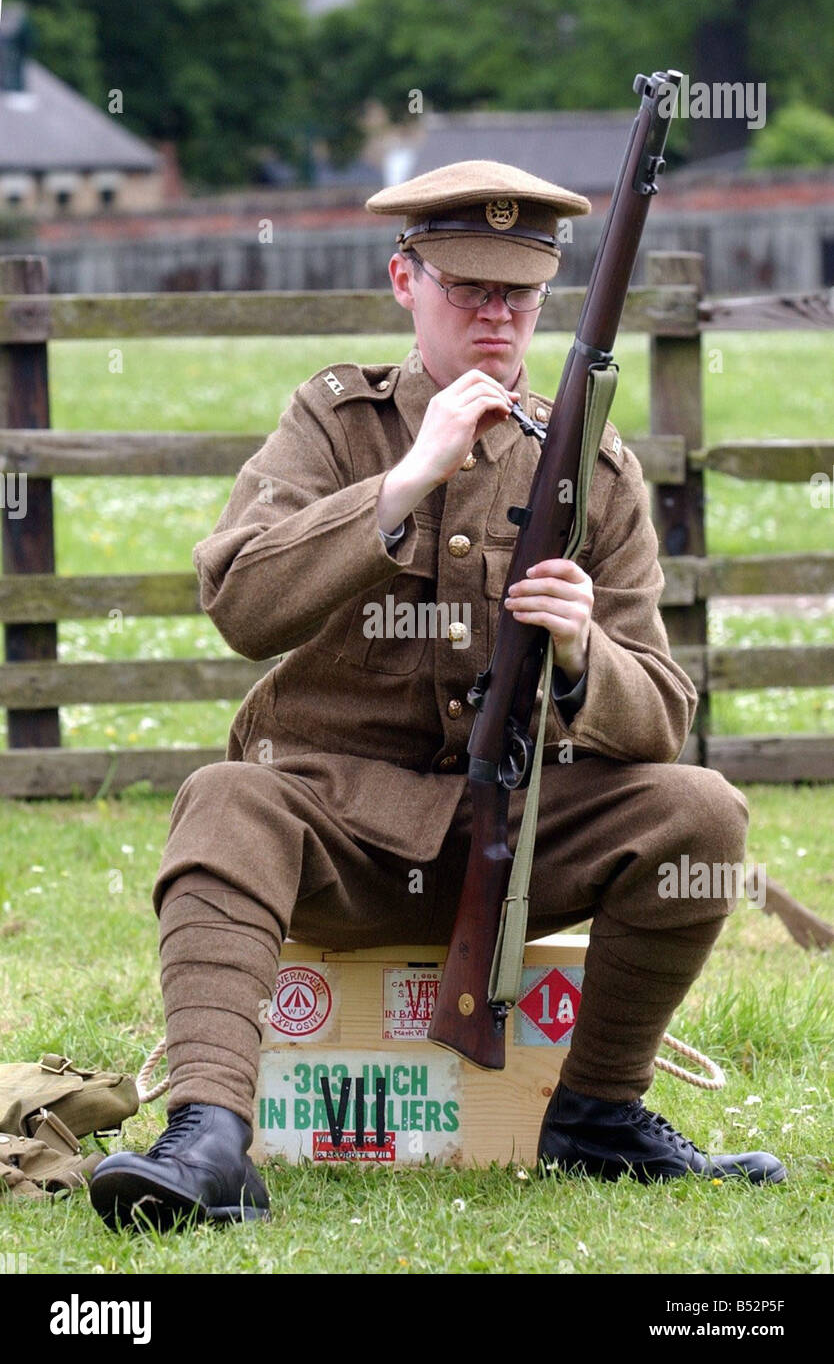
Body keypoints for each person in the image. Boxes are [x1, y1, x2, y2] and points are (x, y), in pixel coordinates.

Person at [89, 161, 786, 1232]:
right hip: (337, 832)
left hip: (525, 837)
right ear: (403, 281)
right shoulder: (334, 422)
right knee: (225, 796)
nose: (496, 315)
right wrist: (403, 483)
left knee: (704, 812)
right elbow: (237, 599)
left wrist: (582, 650)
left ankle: (597, 1113)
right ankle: (209, 1137)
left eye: (519, 293)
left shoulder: (593, 469)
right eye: (467, 287)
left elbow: (663, 708)